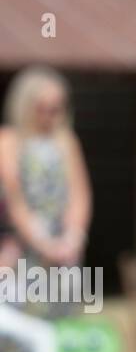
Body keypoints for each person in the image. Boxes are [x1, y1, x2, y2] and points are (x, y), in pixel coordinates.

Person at [0, 66, 93, 316]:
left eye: (57, 108)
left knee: (60, 322)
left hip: (62, 249)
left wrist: (72, 238)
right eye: (43, 108)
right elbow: (15, 200)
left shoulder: (66, 141)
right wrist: (43, 244)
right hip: (19, 249)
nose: (50, 115)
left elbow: (79, 196)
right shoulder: (7, 141)